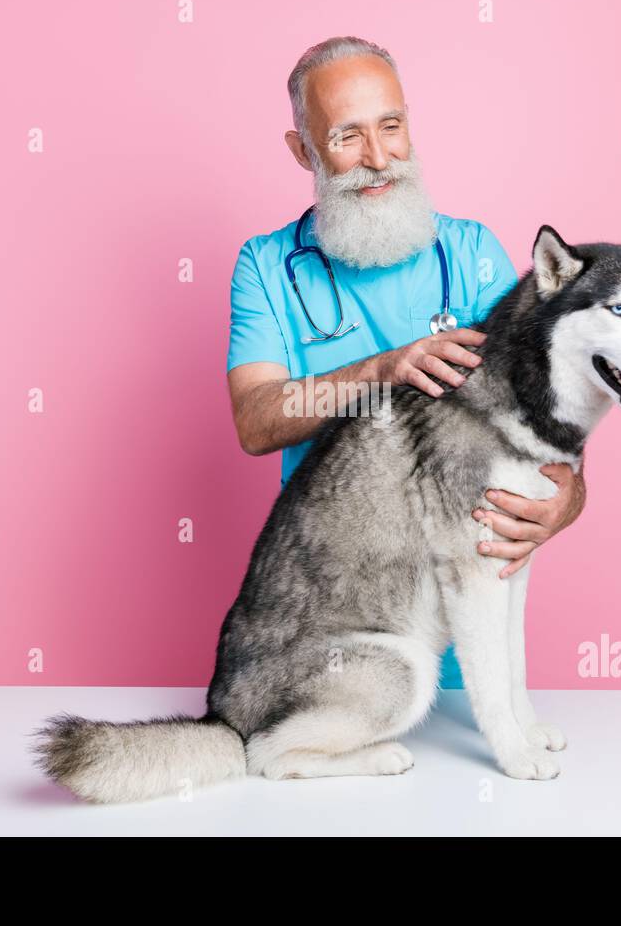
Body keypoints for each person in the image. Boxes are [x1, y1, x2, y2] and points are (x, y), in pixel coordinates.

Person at [225, 36, 587, 689]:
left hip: (466, 641)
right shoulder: (266, 267)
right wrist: (380, 371)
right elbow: (255, 421)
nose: (377, 159)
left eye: (391, 128)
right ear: (303, 149)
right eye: (346, 138)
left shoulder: (473, 252)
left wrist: (567, 499)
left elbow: (538, 422)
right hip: (342, 626)